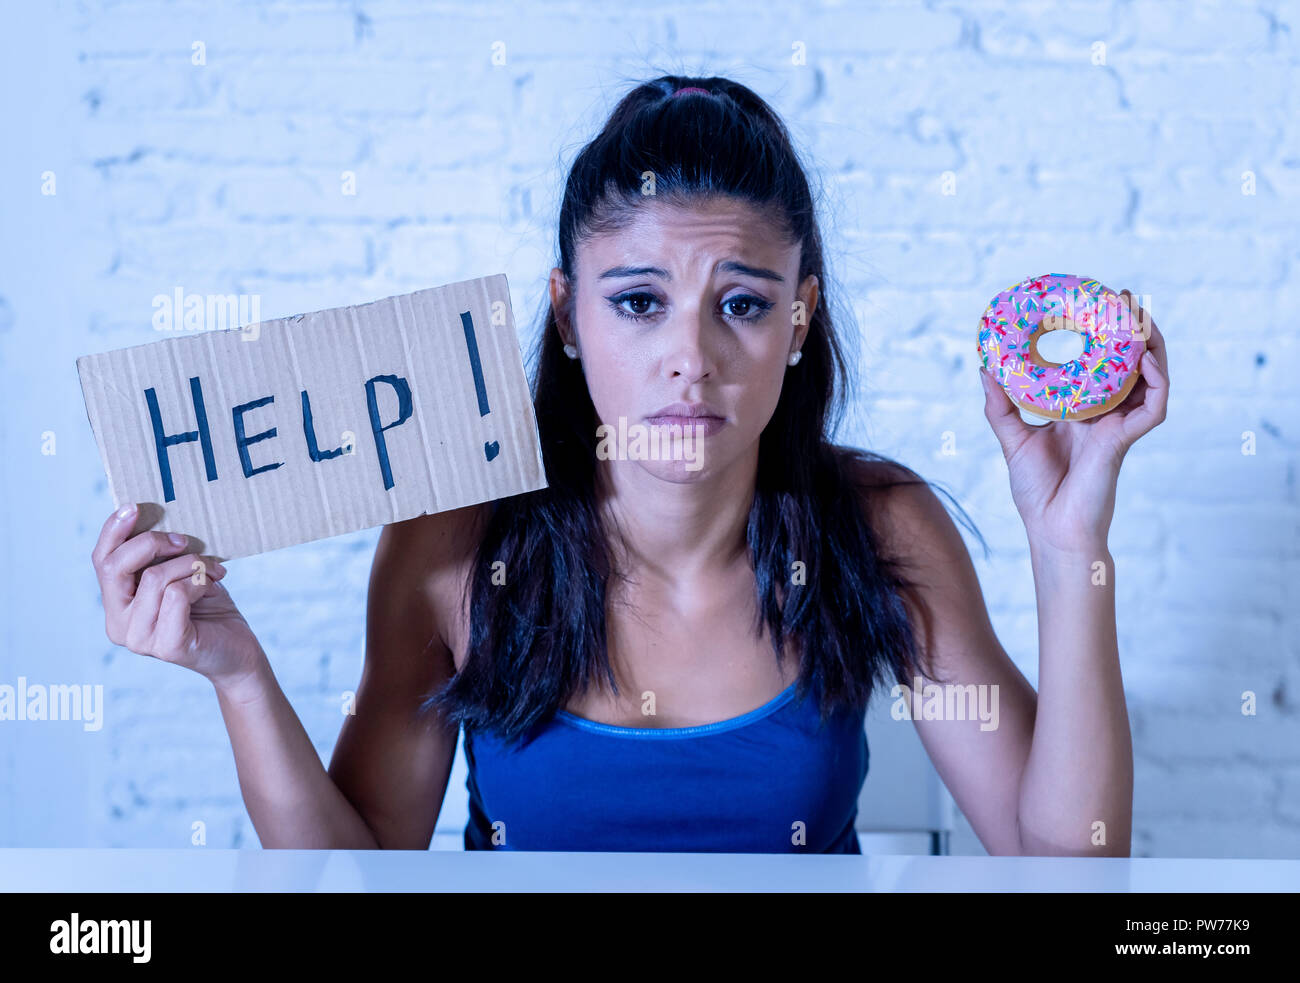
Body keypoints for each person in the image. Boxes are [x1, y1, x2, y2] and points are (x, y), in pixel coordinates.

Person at [90, 75, 1168, 855]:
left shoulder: (881, 529)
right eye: (638, 300)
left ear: (799, 321)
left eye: (740, 305)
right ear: (568, 314)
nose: (687, 360)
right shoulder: (456, 542)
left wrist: (1069, 542)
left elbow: (1068, 867)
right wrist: (237, 671)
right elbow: (358, 869)